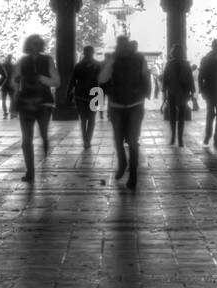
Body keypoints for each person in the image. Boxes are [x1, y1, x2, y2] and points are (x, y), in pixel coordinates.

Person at [98, 34, 151, 190]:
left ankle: (132, 172)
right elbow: (102, 79)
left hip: (134, 104)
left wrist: (145, 94)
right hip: (119, 105)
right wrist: (110, 63)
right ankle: (123, 163)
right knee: (119, 139)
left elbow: (145, 76)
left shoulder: (139, 58)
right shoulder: (113, 59)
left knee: (132, 140)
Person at [15, 33, 60, 182]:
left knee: (43, 132)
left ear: (40, 45)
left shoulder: (48, 60)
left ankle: (45, 140)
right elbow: (14, 82)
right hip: (26, 103)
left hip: (43, 103)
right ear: (29, 45)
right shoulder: (22, 61)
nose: (35, 46)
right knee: (26, 140)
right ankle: (30, 171)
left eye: (37, 43)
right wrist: (16, 85)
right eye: (32, 43)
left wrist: (41, 78)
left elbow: (56, 82)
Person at [161, 43, 196, 147]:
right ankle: (179, 138)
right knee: (180, 116)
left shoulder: (169, 64)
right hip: (182, 93)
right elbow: (190, 79)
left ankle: (174, 137)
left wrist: (164, 90)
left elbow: (165, 78)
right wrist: (192, 91)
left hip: (173, 92)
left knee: (174, 116)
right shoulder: (185, 64)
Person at [67, 44, 101, 149]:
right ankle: (87, 140)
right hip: (93, 94)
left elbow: (72, 81)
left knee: (84, 120)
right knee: (91, 119)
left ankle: (86, 140)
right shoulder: (98, 65)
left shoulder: (78, 65)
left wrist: (68, 93)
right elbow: (102, 81)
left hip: (81, 95)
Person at [0, 53, 16, 118]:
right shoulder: (13, 66)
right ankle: (10, 112)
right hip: (10, 85)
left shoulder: (3, 65)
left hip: (5, 84)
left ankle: (6, 113)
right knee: (11, 100)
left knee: (4, 100)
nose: (9, 59)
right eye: (9, 58)